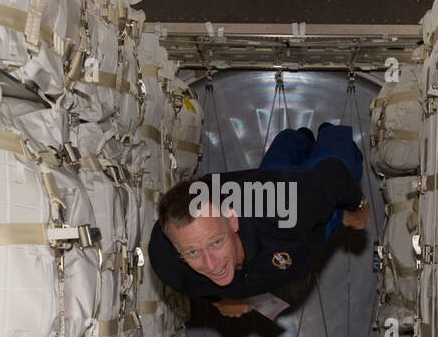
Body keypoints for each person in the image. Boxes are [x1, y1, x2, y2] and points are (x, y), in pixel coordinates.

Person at [148, 123, 369, 317]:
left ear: (233, 221)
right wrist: (221, 300)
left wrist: (357, 206)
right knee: (277, 169)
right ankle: (296, 136)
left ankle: (327, 130)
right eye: (193, 252)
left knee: (338, 161)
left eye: (215, 242)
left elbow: (335, 176)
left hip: (284, 203)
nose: (211, 264)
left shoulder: (290, 206)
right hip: (269, 202)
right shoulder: (170, 264)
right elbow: (197, 280)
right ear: (178, 250)